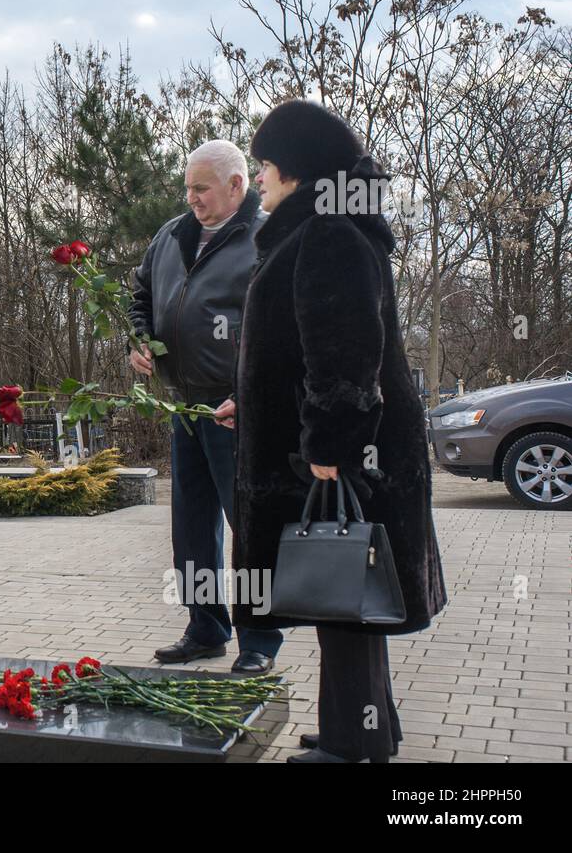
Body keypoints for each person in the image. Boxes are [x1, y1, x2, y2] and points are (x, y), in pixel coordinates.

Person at [215, 99, 448, 762]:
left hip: (340, 452)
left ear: (297, 167)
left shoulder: (326, 234)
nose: (260, 176)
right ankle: (371, 725)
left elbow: (346, 356)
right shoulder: (328, 228)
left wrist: (332, 449)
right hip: (328, 445)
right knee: (345, 592)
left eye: (265, 164)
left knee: (343, 594)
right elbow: (301, 350)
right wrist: (252, 401)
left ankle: (354, 745)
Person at [128, 139, 284, 674]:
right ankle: (206, 626)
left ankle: (259, 639)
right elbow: (140, 295)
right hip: (184, 407)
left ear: (237, 185)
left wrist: (252, 393)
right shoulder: (170, 236)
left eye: (201, 188)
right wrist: (139, 337)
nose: (190, 198)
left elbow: (283, 331)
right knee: (192, 528)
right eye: (187, 187)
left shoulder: (267, 238)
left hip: (239, 408)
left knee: (250, 526)